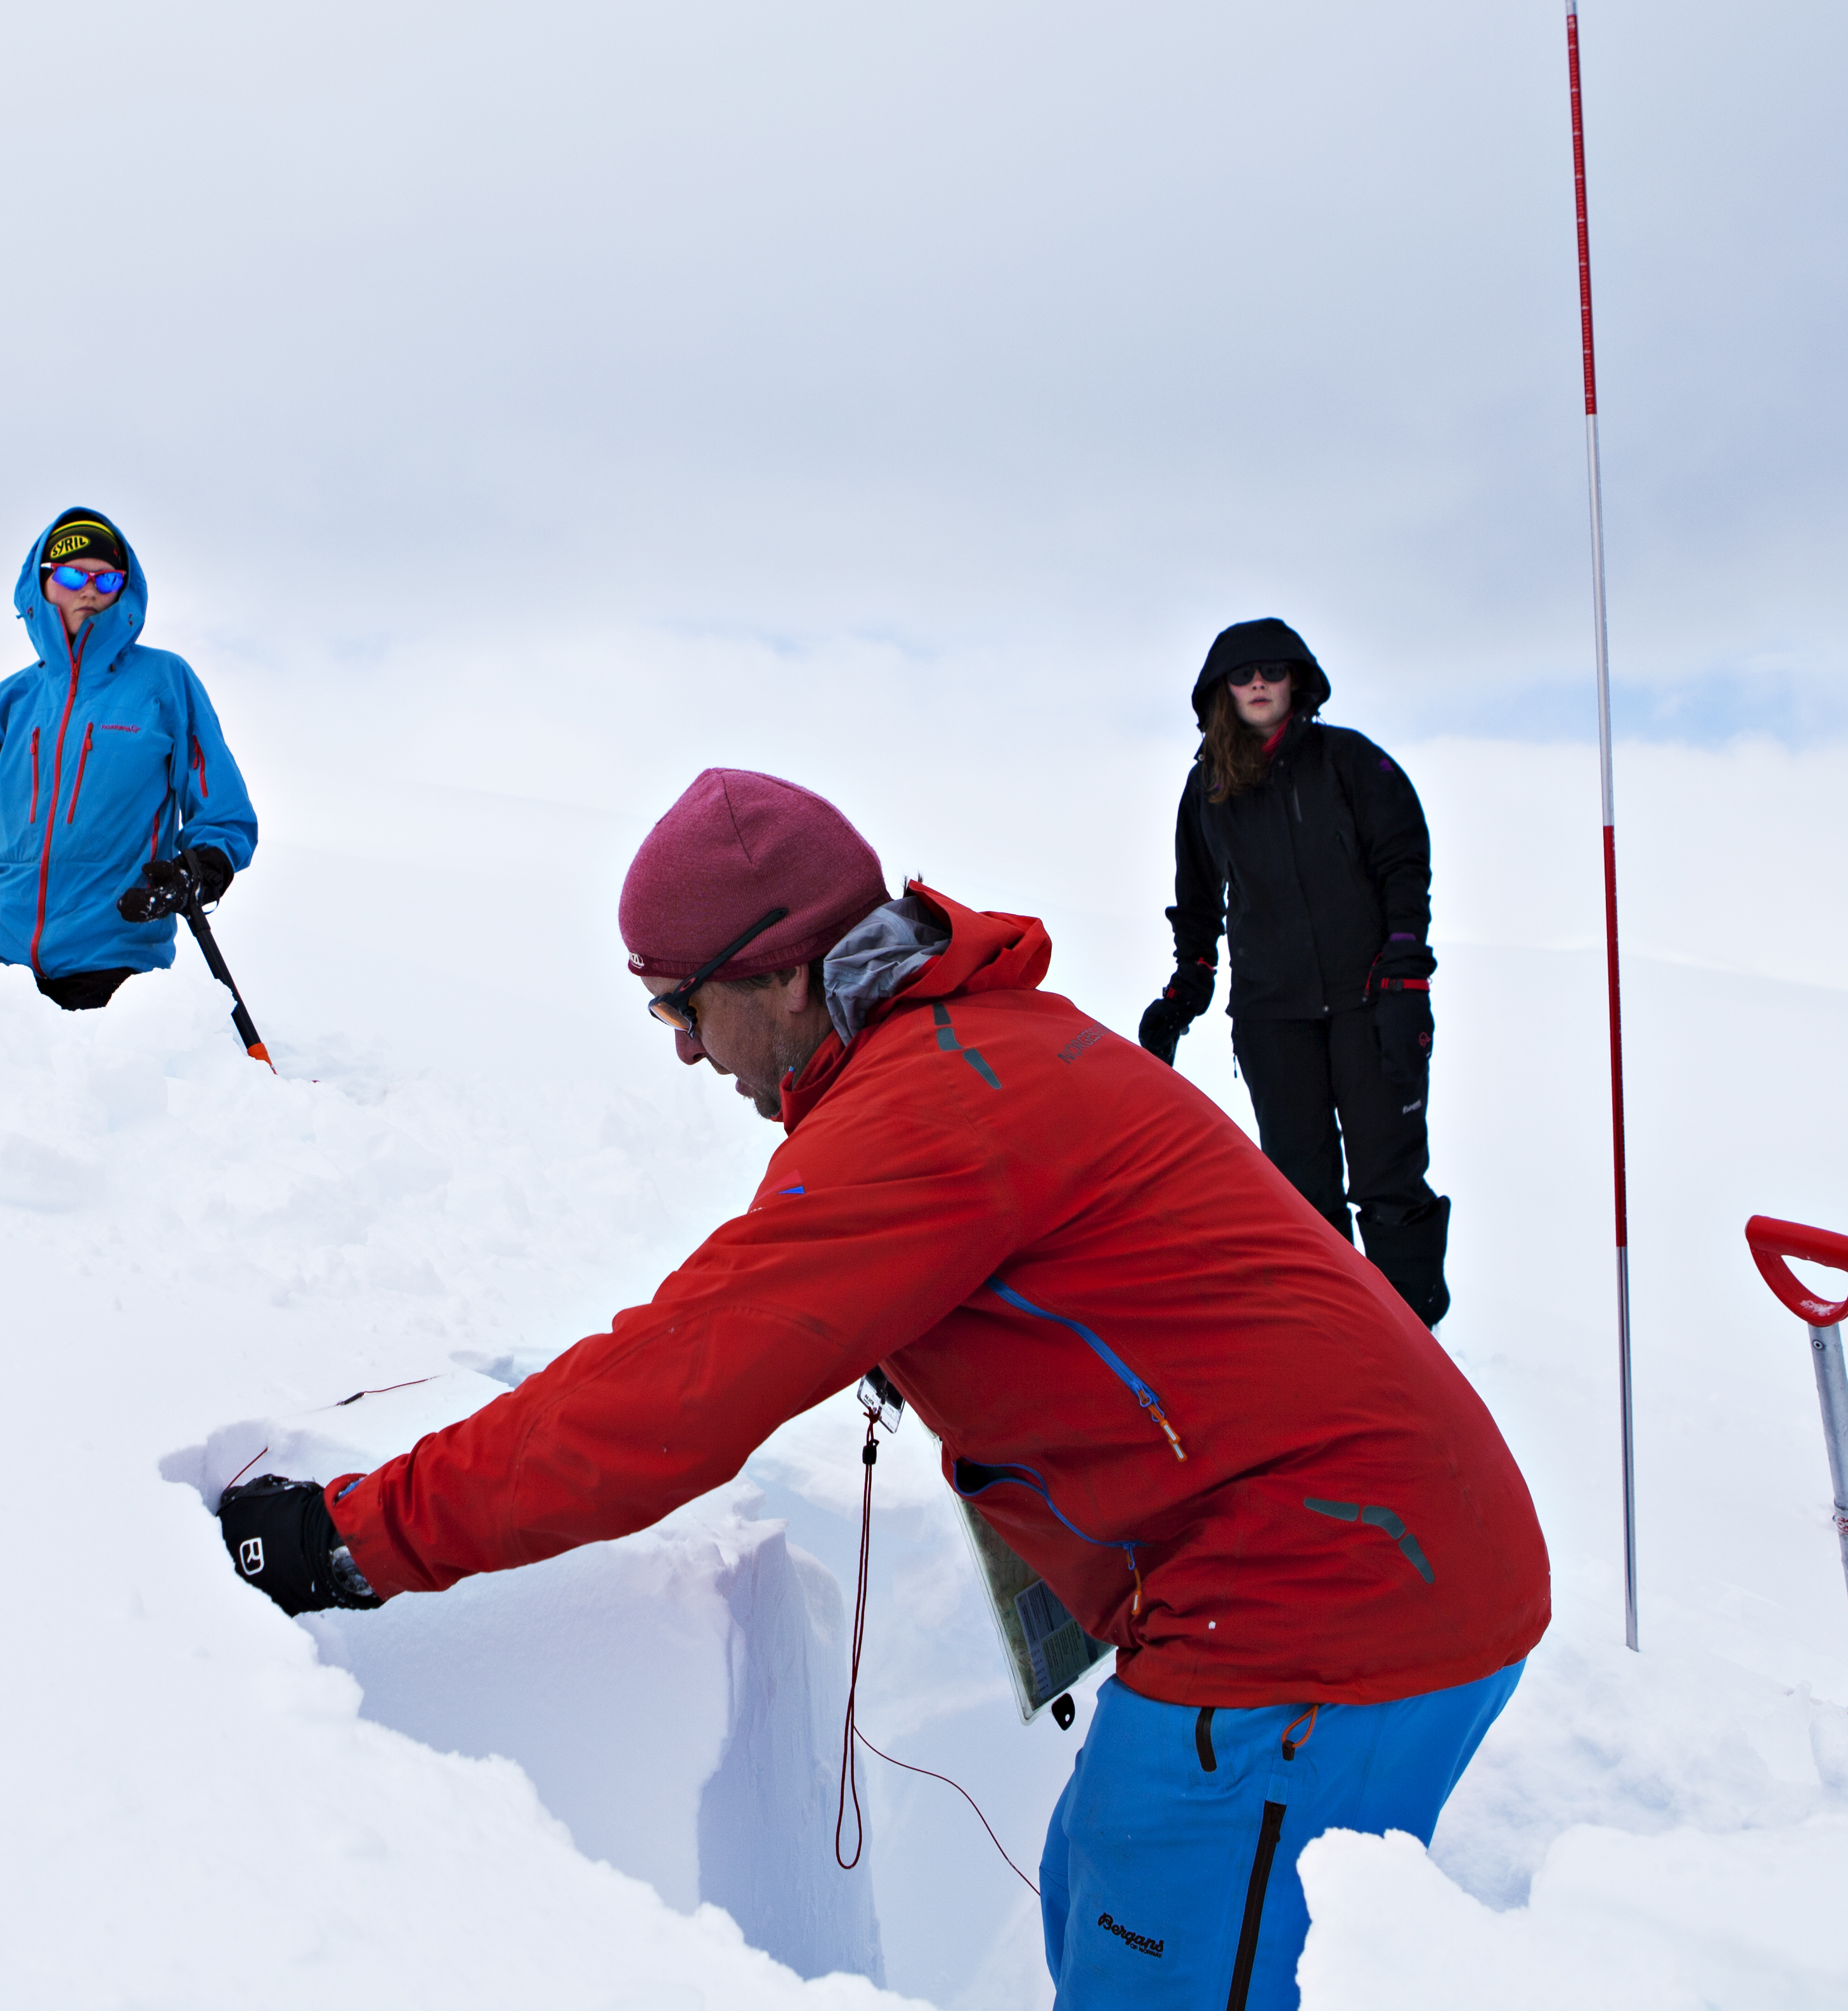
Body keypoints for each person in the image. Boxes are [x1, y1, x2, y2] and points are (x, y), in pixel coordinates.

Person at [214, 768, 1548, 2011]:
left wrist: (355, 1535)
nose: (681, 1048)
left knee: (1159, 1958)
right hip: (1345, 1564)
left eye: (684, 1005)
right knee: (1099, 1883)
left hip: (1330, 1609)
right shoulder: (975, 1043)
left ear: (788, 975)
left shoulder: (926, 1110)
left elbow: (668, 1390)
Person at [1136, 619, 1449, 1326]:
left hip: (1372, 1004)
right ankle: (1338, 1338)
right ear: (1221, 690)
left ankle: (1414, 1333)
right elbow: (1198, 903)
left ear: (1296, 682)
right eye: (1243, 675)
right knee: (1303, 1192)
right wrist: (1187, 992)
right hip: (1273, 1018)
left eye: (1272, 673)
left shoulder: (1352, 763)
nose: (1257, 684)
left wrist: (1406, 977)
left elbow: (1405, 866)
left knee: (1388, 1180)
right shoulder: (1207, 790)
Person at [0, 506, 257, 1011]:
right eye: (71, 575)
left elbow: (222, 810)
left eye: (106, 579)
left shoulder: (163, 682)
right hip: (1, 973)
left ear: (123, 590)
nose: (89, 590)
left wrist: (198, 869)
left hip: (114, 966)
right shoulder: (11, 702)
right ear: (41, 587)